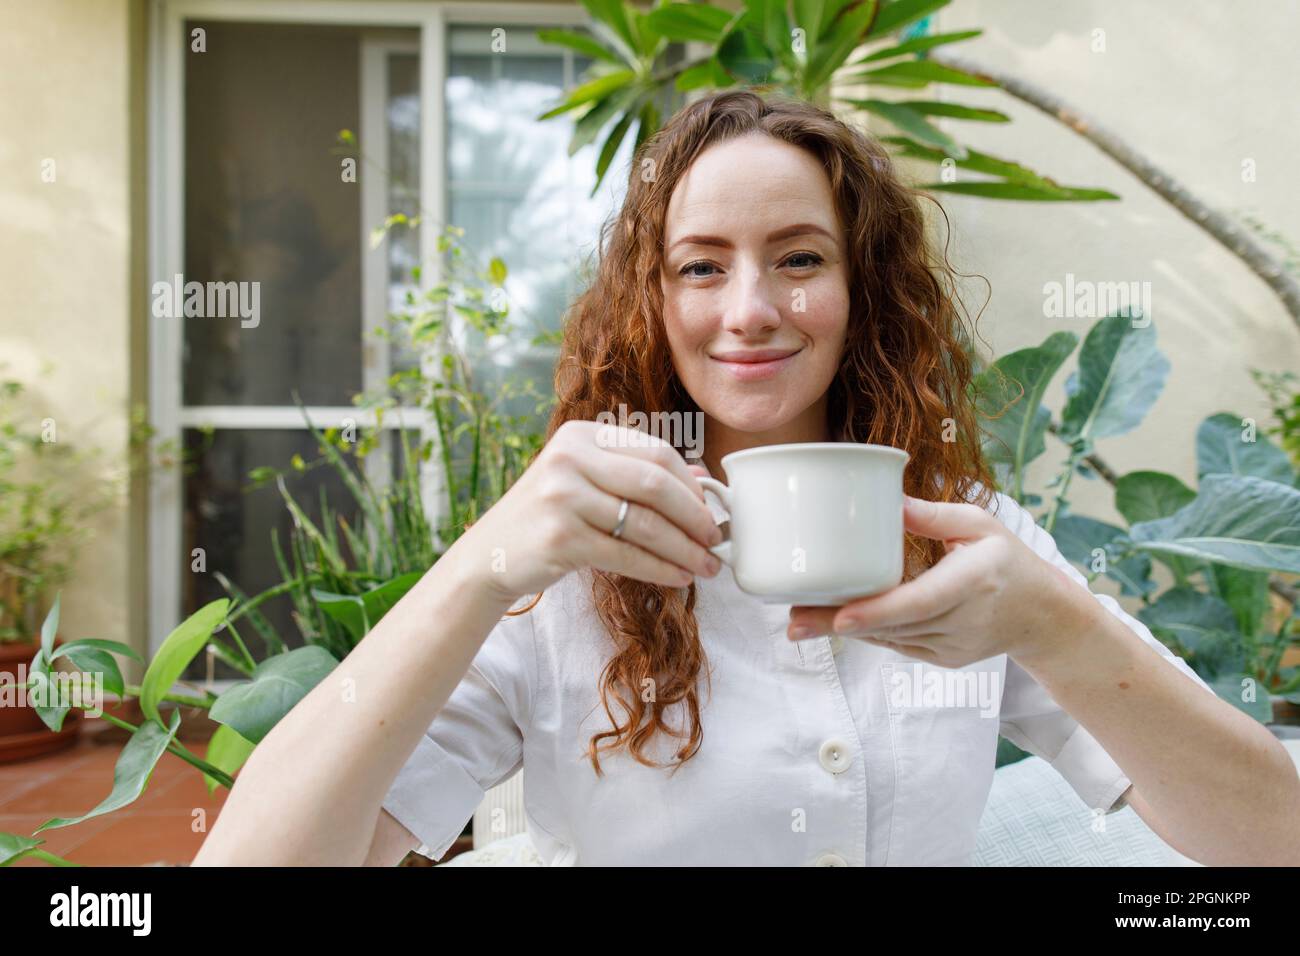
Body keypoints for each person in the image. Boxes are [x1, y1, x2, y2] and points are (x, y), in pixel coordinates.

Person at [193, 89, 1300, 867]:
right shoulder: (564, 566)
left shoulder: (973, 546)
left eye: (800, 256)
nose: (751, 308)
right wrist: (482, 565)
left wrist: (1062, 624)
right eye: (700, 265)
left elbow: (1271, 839)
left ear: (862, 288)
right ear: (651, 301)